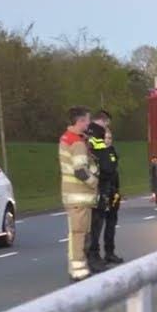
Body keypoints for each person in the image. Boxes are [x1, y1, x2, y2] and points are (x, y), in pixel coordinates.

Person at [59, 106, 98, 281]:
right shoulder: (77, 142)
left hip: (72, 194)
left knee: (75, 233)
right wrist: (95, 182)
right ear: (80, 121)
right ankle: (79, 270)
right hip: (79, 195)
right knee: (80, 234)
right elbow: (80, 171)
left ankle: (76, 267)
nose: (89, 123)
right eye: (87, 120)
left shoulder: (66, 138)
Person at [86, 110, 123, 268]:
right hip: (99, 188)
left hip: (111, 189)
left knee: (110, 221)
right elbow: (105, 168)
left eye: (110, 138)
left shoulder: (110, 150)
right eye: (106, 136)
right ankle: (93, 255)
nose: (107, 140)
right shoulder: (94, 145)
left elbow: (113, 169)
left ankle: (109, 252)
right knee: (96, 223)